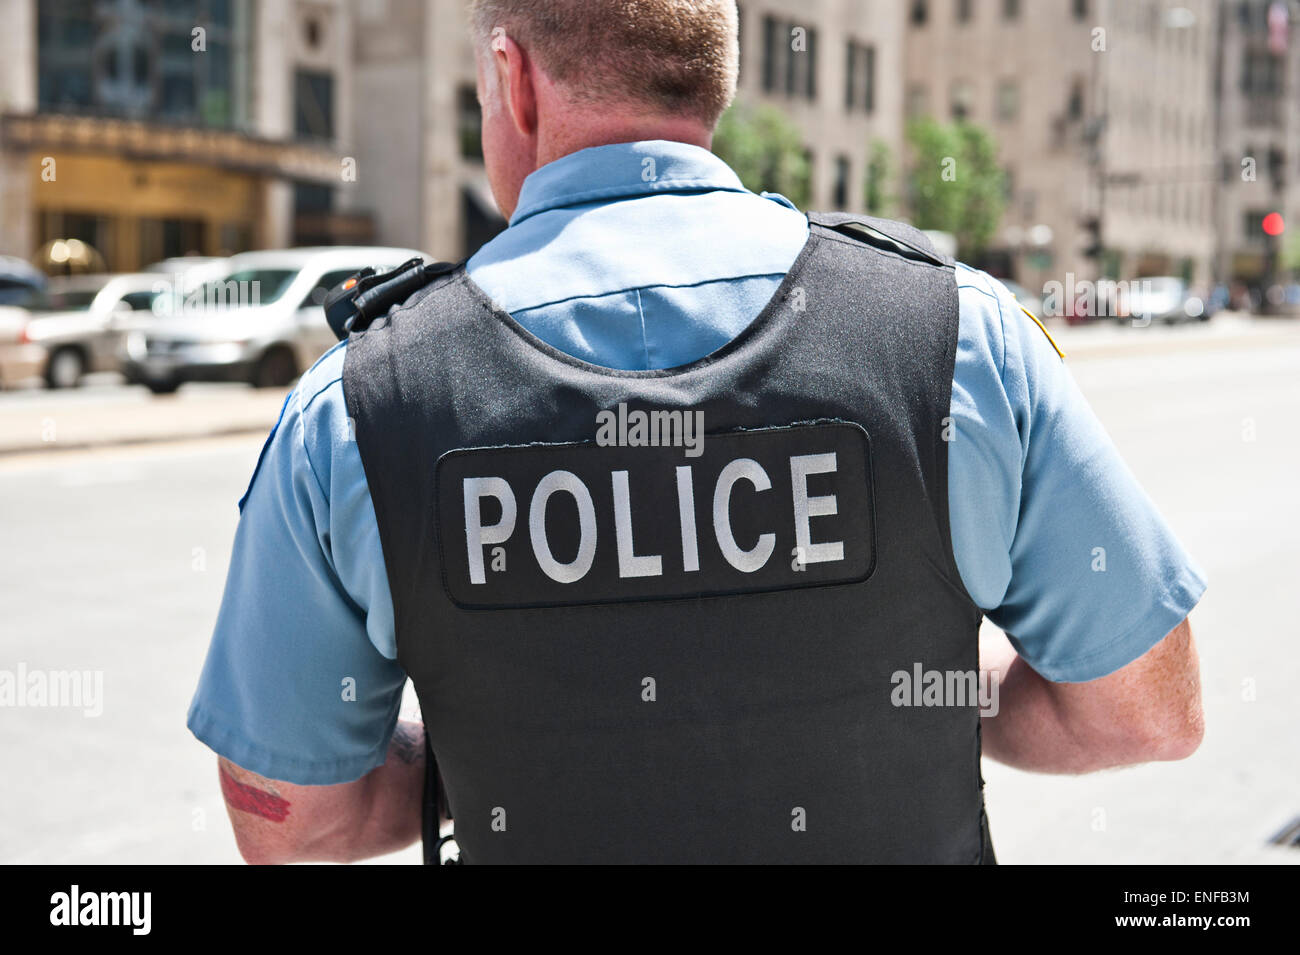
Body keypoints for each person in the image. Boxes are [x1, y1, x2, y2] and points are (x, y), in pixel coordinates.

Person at [188, 0, 1205, 865]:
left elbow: (292, 819)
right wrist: (910, 695)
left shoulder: (358, 403)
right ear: (714, 81)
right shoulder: (957, 340)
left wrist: (482, 752)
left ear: (514, 76)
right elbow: (1145, 709)